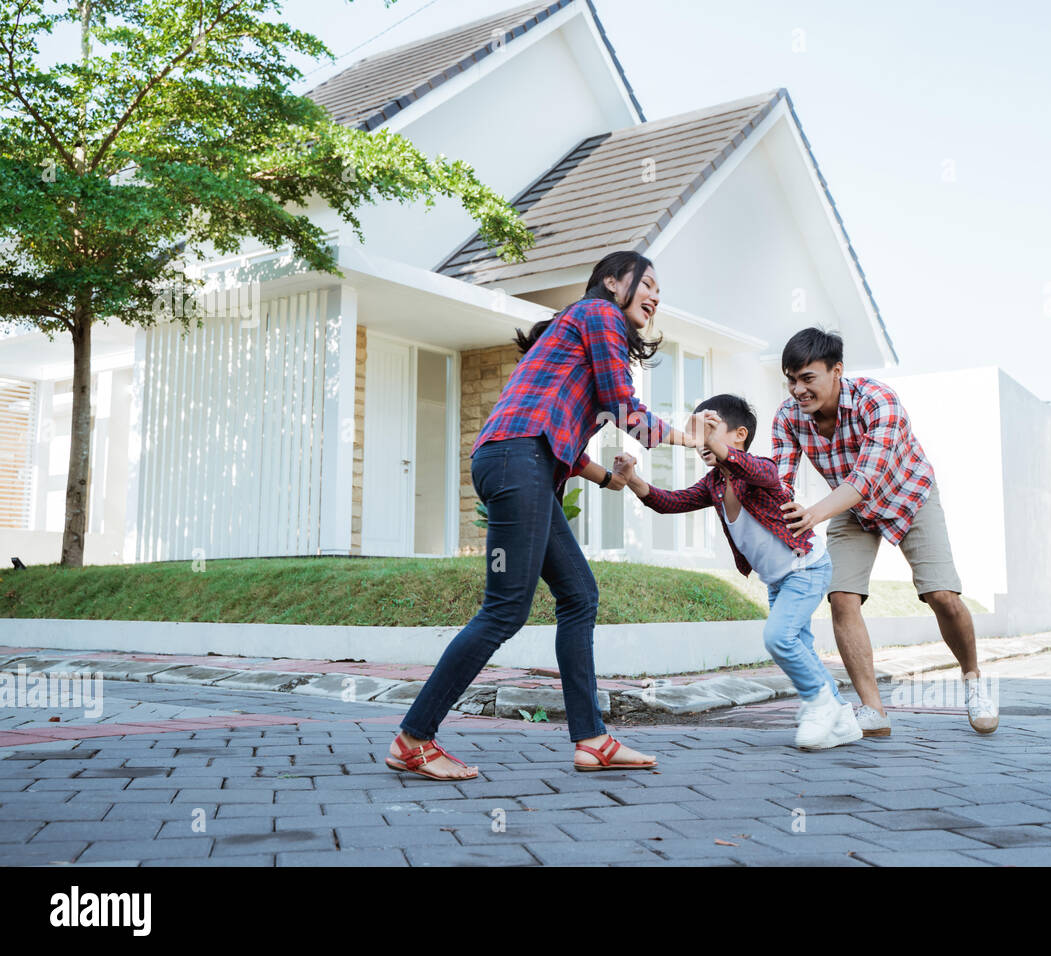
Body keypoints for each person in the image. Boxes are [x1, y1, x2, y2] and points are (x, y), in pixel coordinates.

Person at [385, 251, 697, 781]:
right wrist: (690, 436)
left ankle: (592, 739)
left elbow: (564, 442)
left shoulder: (569, 343)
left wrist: (607, 478)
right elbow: (624, 407)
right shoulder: (597, 315)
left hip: (519, 461)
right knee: (504, 611)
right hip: (518, 461)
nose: (655, 296)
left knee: (579, 595)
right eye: (646, 283)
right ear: (611, 282)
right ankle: (415, 737)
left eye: (658, 290)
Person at [773, 328, 998, 736]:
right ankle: (873, 710)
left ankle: (973, 679)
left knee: (941, 595)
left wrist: (811, 515)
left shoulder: (878, 400)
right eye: (791, 379)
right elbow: (780, 480)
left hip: (908, 494)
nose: (797, 390)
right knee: (841, 596)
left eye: (808, 378)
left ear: (837, 370)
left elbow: (866, 478)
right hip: (851, 509)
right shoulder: (788, 418)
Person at [614, 395, 860, 750]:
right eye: (696, 434)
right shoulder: (714, 484)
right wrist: (633, 478)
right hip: (779, 579)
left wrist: (714, 441)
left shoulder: (761, 470)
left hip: (806, 567)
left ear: (739, 435)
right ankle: (841, 716)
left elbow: (761, 472)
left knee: (779, 638)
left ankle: (819, 703)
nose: (700, 442)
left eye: (709, 431)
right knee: (800, 647)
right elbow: (670, 503)